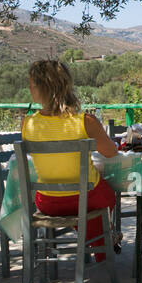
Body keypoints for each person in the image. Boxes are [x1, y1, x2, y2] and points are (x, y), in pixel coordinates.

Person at [21, 59, 119, 261]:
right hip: (86, 200)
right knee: (106, 196)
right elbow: (110, 153)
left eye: (32, 84)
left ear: (41, 89)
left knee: (84, 200)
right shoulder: (86, 122)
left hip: (47, 203)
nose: (30, 88)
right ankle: (102, 241)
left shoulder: (27, 124)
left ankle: (99, 240)